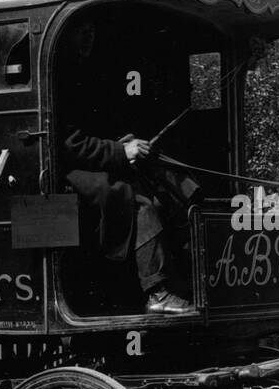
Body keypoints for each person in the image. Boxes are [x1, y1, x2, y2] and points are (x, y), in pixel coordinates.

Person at [63, 125, 196, 314]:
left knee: (162, 192)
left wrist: (118, 146)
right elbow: (69, 144)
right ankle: (157, 293)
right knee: (136, 199)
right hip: (69, 177)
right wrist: (119, 150)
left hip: (89, 166)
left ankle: (181, 280)